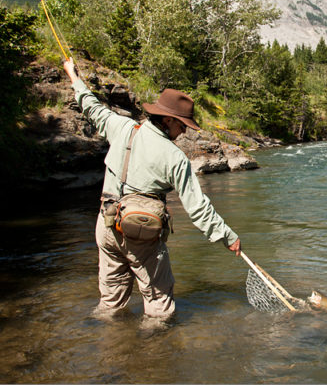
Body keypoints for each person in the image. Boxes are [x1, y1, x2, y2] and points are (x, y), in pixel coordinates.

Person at [62, 58, 241, 323]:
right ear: (167, 119)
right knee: (158, 308)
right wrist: (227, 237)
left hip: (106, 227)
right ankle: (154, 357)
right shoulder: (175, 157)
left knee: (110, 303)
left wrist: (74, 77)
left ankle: (109, 353)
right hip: (141, 234)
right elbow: (198, 208)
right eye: (182, 125)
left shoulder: (121, 126)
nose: (183, 133)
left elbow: (91, 107)